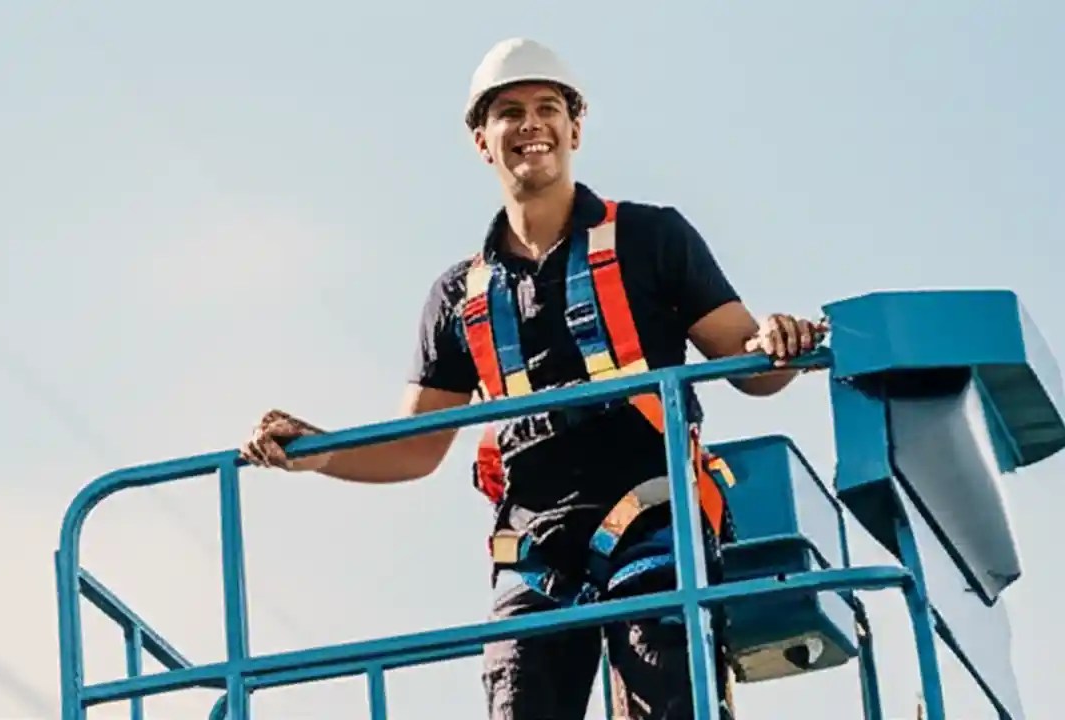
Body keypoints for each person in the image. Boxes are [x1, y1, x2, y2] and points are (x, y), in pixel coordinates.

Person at [241, 38, 826, 720]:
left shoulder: (651, 239)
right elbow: (415, 446)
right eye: (509, 112)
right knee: (518, 696)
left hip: (653, 519)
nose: (530, 125)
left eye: (548, 108)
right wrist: (316, 450)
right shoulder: (459, 296)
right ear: (482, 142)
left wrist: (776, 344)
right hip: (534, 546)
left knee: (669, 679)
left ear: (575, 128)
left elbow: (746, 360)